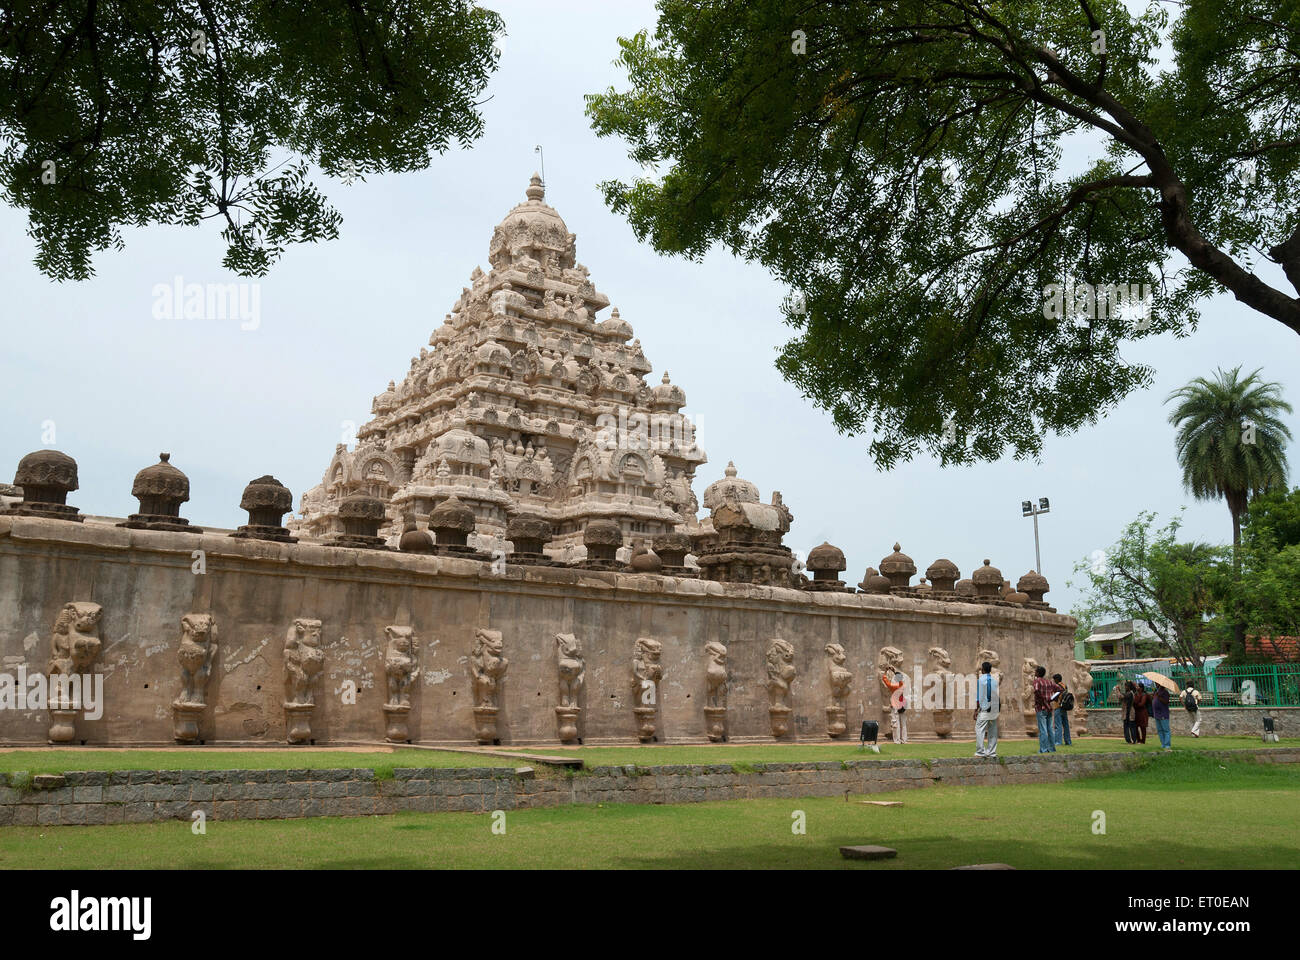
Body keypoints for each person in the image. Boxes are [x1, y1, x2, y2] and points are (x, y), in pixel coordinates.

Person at [973, 660, 1000, 758]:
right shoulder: (994, 680)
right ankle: (991, 752)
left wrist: (976, 710)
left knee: (979, 729)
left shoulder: (980, 680)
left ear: (983, 669)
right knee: (993, 730)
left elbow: (979, 697)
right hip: (994, 708)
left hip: (985, 708)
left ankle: (980, 752)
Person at [1032, 665, 1057, 753]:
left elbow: (1036, 691)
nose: (1034, 673)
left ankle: (1044, 749)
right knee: (1050, 728)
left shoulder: (1037, 681)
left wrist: (1043, 701)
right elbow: (1059, 689)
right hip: (1049, 707)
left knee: (1043, 729)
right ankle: (1052, 748)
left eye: (1035, 671)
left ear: (1038, 673)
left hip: (1041, 707)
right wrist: (1052, 698)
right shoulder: (1049, 682)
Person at [881, 669, 908, 744]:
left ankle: (897, 740)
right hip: (903, 705)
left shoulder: (893, 687)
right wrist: (895, 672)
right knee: (903, 723)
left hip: (895, 705)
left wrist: (885, 672)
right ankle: (904, 739)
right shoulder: (902, 685)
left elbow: (885, 680)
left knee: (896, 723)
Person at [1052, 672, 1073, 746]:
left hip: (1058, 707)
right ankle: (1068, 741)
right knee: (1066, 725)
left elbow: (1055, 697)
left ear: (1057, 679)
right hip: (1064, 707)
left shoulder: (1057, 686)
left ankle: (1058, 742)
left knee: (1058, 725)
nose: (1054, 681)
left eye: (1054, 680)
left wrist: (1051, 699)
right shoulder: (1065, 686)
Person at [1152, 684, 1173, 749]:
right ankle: (1163, 744)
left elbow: (1166, 701)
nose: (1156, 684)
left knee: (1166, 730)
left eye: (1157, 683)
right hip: (1157, 714)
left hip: (1163, 713)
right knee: (1160, 730)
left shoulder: (1165, 692)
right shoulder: (1156, 692)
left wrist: (1159, 697)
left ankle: (1167, 744)